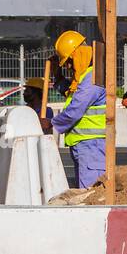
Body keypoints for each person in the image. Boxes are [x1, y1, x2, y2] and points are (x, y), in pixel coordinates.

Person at [46, 30, 108, 189]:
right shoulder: (84, 77)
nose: (68, 67)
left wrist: (51, 124)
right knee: (84, 192)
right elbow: (71, 94)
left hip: (91, 146)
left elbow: (76, 109)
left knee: (90, 194)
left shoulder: (92, 78)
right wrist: (58, 76)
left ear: (79, 55)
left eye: (69, 61)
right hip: (84, 145)